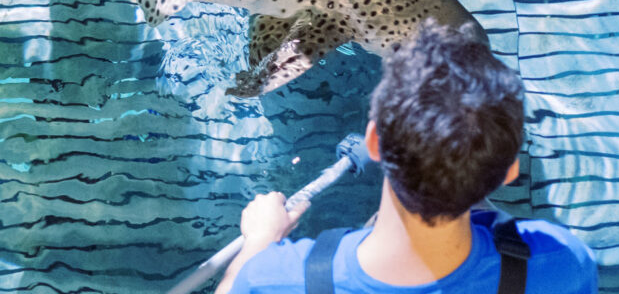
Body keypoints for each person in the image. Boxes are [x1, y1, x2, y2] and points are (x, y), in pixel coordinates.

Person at [216, 21, 598, 294]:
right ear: (508, 171)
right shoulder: (560, 262)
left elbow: (236, 285)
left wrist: (259, 239)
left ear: (373, 141)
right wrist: (474, 167)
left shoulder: (276, 277)